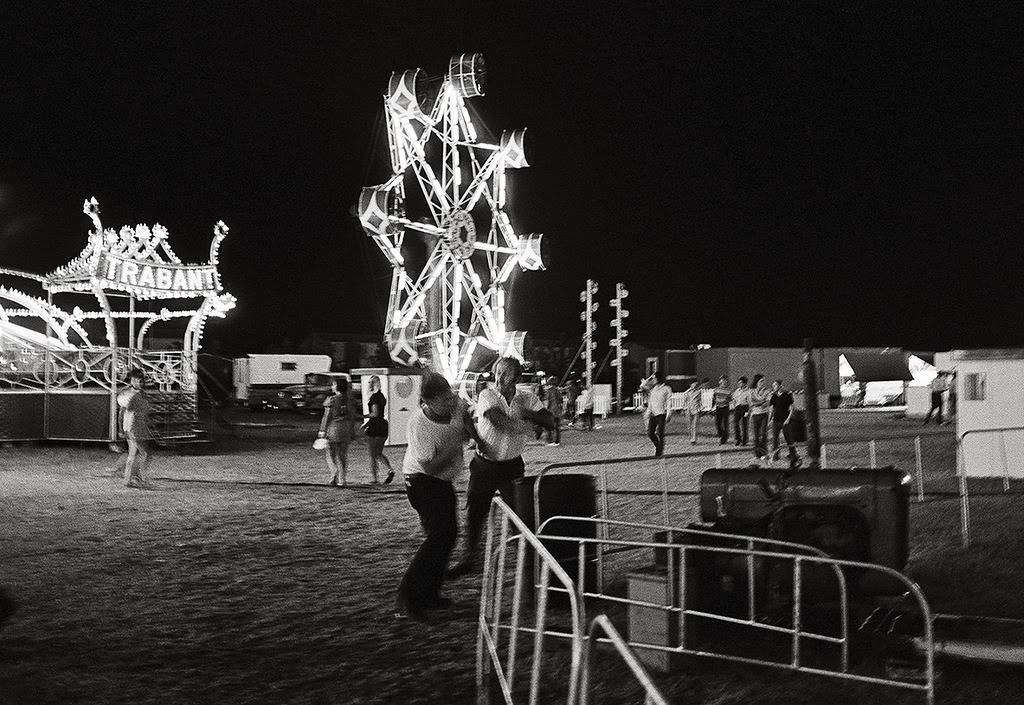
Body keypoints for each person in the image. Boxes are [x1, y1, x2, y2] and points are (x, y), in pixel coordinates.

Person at [449, 357, 554, 578]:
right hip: (485, 466)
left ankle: (527, 563)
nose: (498, 378)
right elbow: (497, 420)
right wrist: (527, 425)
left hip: (512, 466)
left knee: (520, 516)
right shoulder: (487, 395)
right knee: (476, 513)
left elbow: (550, 421)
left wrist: (529, 414)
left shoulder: (527, 398)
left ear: (516, 378)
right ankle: (469, 558)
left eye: (504, 374)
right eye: (497, 373)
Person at [395, 372, 476, 622]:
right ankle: (407, 597)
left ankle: (430, 593)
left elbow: (468, 429)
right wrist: (455, 442)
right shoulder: (418, 425)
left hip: (442, 483)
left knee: (448, 536)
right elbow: (430, 467)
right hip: (421, 481)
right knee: (438, 537)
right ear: (428, 402)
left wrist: (471, 432)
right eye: (444, 399)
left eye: (450, 396)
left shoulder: (455, 407)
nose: (450, 402)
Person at [318, 376, 360, 486]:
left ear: (336, 386)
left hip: (334, 428)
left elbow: (326, 417)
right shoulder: (350, 400)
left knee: (330, 453)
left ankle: (334, 473)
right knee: (343, 455)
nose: (332, 386)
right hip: (346, 428)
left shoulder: (331, 400)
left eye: (333, 384)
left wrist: (322, 430)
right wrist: (352, 431)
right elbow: (352, 416)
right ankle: (343, 479)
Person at [118, 369, 154, 489]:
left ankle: (128, 479)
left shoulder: (135, 394)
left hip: (132, 428)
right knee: (144, 454)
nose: (141, 383)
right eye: (138, 380)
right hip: (134, 428)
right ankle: (138, 478)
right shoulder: (134, 396)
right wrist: (126, 429)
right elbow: (127, 413)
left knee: (133, 454)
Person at [363, 375, 395, 484]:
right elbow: (380, 414)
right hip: (383, 426)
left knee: (372, 455)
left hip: (375, 428)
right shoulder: (382, 396)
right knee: (379, 453)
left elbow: (374, 414)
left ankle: (374, 478)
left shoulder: (374, 397)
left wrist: (361, 417)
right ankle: (389, 469)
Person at [768, 379, 800, 465]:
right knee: (775, 439)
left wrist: (788, 419)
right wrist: (770, 419)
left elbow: (791, 408)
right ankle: (775, 455)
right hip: (776, 420)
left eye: (775, 385)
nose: (773, 387)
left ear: (780, 386)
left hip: (785, 420)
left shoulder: (787, 395)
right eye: (773, 385)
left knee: (788, 438)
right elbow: (772, 409)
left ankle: (793, 454)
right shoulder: (774, 396)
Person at [645, 370, 673, 457]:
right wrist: (648, 412)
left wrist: (669, 413)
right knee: (650, 433)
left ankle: (659, 452)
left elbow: (668, 402)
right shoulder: (652, 389)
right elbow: (650, 401)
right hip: (653, 414)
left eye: (654, 378)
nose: (652, 380)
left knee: (660, 433)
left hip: (661, 413)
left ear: (658, 378)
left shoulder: (666, 389)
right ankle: (658, 446)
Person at [749, 374, 771, 458]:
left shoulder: (767, 391)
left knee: (764, 433)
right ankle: (757, 453)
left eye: (764, 381)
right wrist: (762, 401)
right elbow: (751, 403)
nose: (763, 383)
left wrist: (758, 403)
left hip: (764, 414)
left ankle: (764, 451)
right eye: (761, 381)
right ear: (757, 382)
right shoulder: (752, 391)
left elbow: (767, 403)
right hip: (755, 415)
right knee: (756, 435)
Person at [543, 377, 563, 446]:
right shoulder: (557, 390)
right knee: (557, 426)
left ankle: (550, 441)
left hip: (551, 410)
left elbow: (548, 401)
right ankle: (557, 440)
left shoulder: (549, 391)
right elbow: (561, 399)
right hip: (557, 410)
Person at [731, 376, 751, 446]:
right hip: (738, 408)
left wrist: (748, 411)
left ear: (745, 383)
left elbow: (750, 403)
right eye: (738, 383)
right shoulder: (737, 390)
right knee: (735, 423)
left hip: (745, 407)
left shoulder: (748, 391)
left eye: (741, 383)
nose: (739, 384)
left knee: (744, 425)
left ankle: (745, 440)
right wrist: (734, 405)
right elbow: (734, 398)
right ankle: (738, 438)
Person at [712, 376, 731, 445]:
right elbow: (714, 398)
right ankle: (721, 433)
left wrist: (726, 401)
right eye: (723, 381)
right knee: (718, 423)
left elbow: (730, 399)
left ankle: (724, 438)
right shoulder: (716, 390)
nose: (725, 383)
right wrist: (712, 407)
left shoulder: (729, 391)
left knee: (725, 423)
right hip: (718, 407)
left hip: (725, 408)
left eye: (726, 381)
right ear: (720, 382)